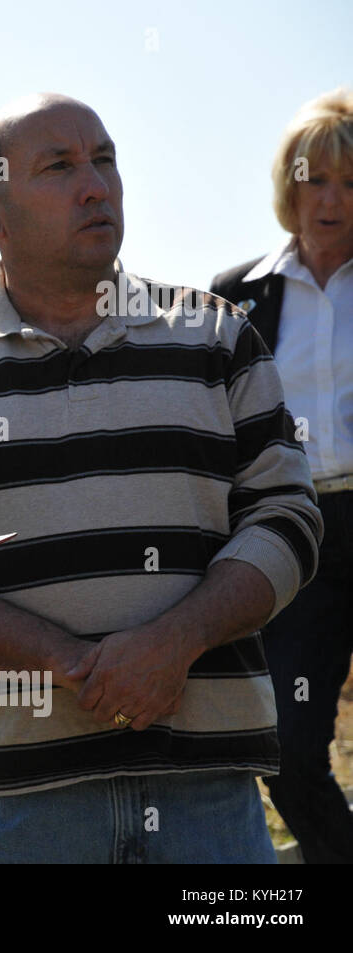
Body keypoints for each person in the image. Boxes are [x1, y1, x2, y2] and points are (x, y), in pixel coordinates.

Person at [0, 93, 323, 863]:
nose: (96, 184)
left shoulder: (218, 337)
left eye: (104, 158)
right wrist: (77, 667)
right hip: (13, 800)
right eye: (59, 167)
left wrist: (176, 641)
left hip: (205, 786)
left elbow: (288, 520)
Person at [210, 87, 353, 864]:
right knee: (288, 749)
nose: (329, 200)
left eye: (350, 182)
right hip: (292, 534)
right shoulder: (234, 298)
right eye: (313, 177)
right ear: (286, 184)